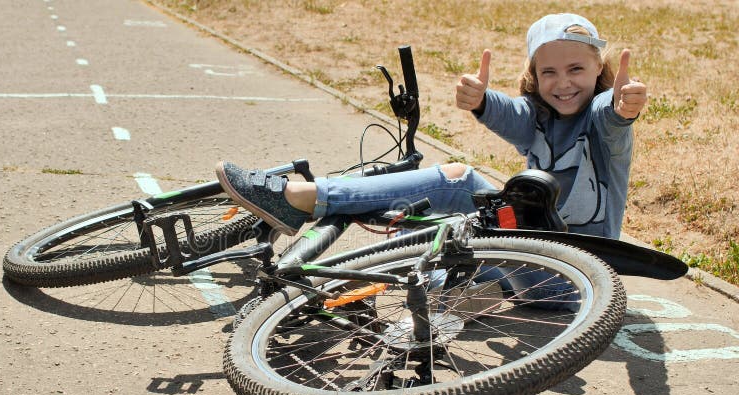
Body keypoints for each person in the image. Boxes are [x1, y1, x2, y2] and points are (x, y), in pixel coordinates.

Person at [214, 13, 647, 240]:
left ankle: (297, 199)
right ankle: (452, 299)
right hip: (525, 249)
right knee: (460, 197)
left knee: (459, 188)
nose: (564, 82)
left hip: (579, 274)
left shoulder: (601, 120)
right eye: (549, 72)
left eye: (576, 69)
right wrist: (479, 99)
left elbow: (612, 117)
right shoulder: (537, 115)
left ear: (598, 69)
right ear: (535, 77)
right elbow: (509, 113)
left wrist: (624, 105)